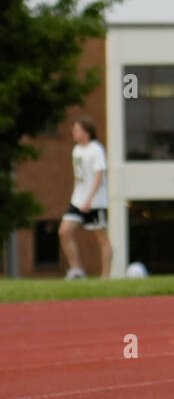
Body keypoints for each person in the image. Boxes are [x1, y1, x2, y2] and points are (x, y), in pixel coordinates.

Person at [59, 117, 112, 279]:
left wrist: (89, 199)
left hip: (95, 202)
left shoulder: (96, 149)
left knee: (101, 238)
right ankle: (76, 270)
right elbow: (78, 176)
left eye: (77, 130)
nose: (74, 133)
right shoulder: (76, 150)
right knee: (64, 231)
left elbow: (99, 175)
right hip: (78, 201)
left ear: (86, 132)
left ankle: (106, 276)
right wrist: (76, 196)